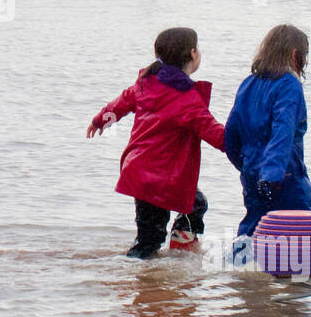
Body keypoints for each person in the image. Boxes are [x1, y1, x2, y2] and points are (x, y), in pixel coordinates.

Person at [87, 27, 225, 259]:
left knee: (193, 206)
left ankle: (177, 254)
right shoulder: (187, 98)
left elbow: (120, 104)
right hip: (161, 179)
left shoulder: (145, 83)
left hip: (142, 173)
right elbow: (212, 132)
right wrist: (242, 146)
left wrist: (100, 120)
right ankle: (146, 269)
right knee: (150, 241)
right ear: (193, 54)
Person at [223, 24, 311, 246]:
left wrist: (245, 164)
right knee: (305, 233)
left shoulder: (249, 83)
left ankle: (240, 273)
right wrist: (272, 174)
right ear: (295, 55)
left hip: (252, 172)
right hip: (284, 174)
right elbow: (282, 130)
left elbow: (231, 132)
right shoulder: (289, 85)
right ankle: (299, 279)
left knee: (253, 228)